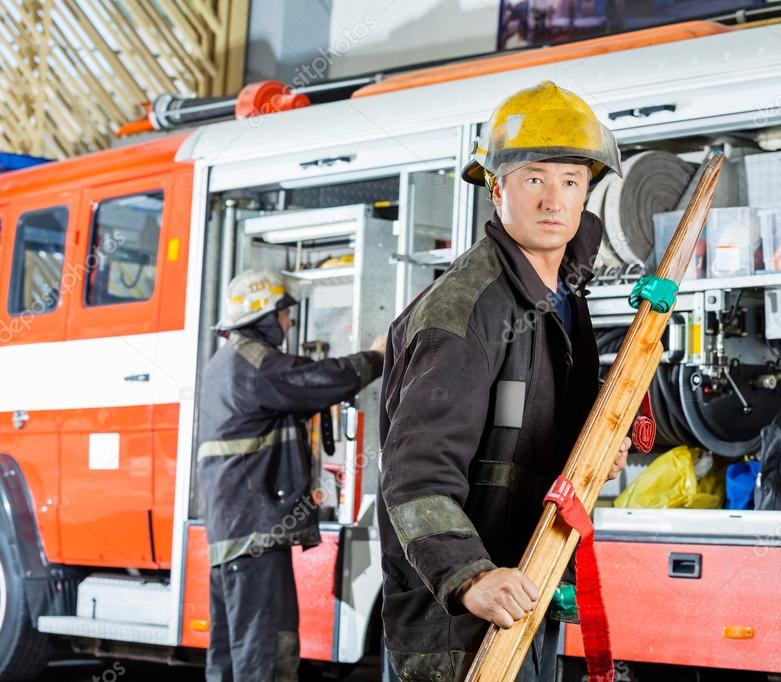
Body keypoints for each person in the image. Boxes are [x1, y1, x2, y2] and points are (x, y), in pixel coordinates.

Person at [378, 81, 630, 682]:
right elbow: (415, 476)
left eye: (571, 181)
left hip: (526, 594)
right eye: (533, 178)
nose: (554, 199)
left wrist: (593, 453)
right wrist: (469, 575)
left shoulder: (557, 296)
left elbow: (518, 435)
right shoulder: (466, 312)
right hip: (460, 627)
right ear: (496, 189)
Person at [197, 269, 386, 682]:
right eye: (284, 314)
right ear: (265, 316)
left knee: (234, 657)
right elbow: (315, 381)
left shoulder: (226, 363)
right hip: (255, 536)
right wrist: (376, 357)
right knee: (264, 656)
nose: (289, 323)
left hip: (237, 534)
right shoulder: (254, 363)